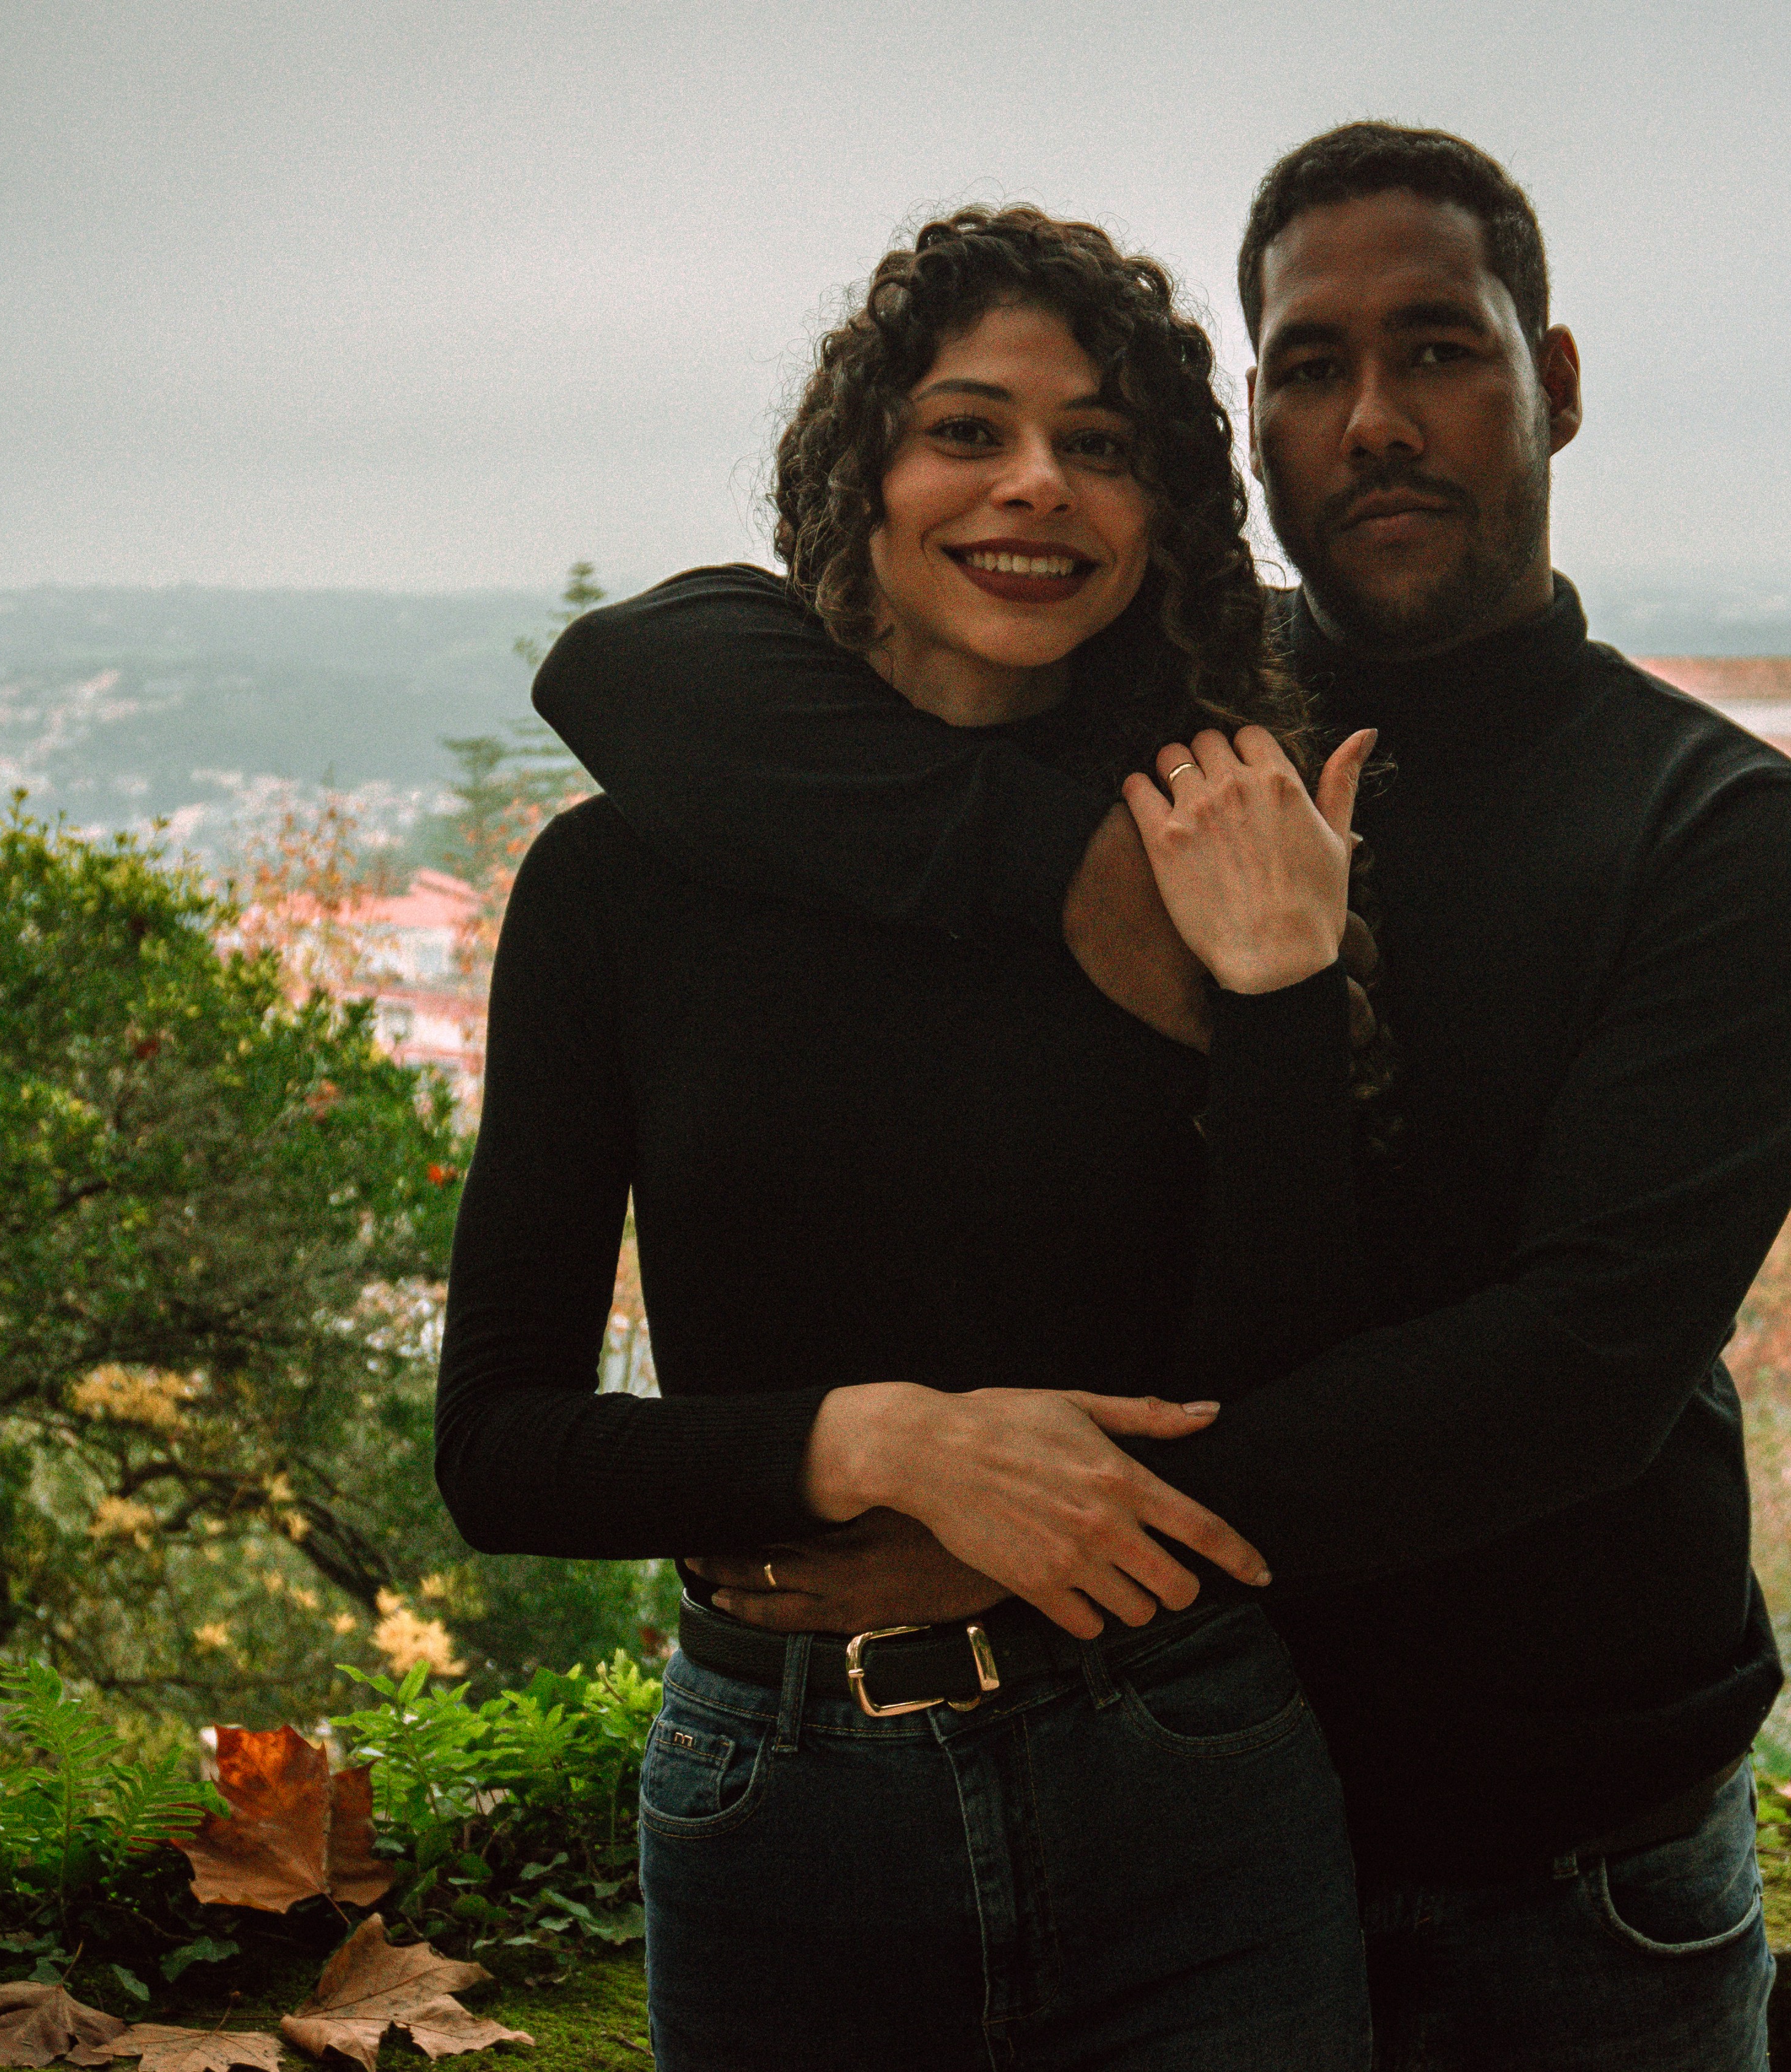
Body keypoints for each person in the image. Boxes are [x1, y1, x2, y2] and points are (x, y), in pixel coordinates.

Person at [533, 126, 1791, 2070]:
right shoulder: (1170, 738)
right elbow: (646, 670)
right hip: (1182, 1791)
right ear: (1252, 424)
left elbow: (1574, 1373)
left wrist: (1024, 1521)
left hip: (1562, 1841)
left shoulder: (1718, 829)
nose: (1376, 419)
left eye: (1442, 352)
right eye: (1313, 370)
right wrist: (1066, 882)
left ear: (1553, 381)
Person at [431, 206, 1388, 2070]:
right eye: (970, 429)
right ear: (863, 476)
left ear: (1160, 517)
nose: (1035, 486)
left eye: (1101, 447)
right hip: (785, 1800)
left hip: (1184, 1763)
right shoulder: (621, 884)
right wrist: (881, 1446)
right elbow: (499, 1452)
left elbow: (1290, 1382)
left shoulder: (1210, 847)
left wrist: (1282, 991)